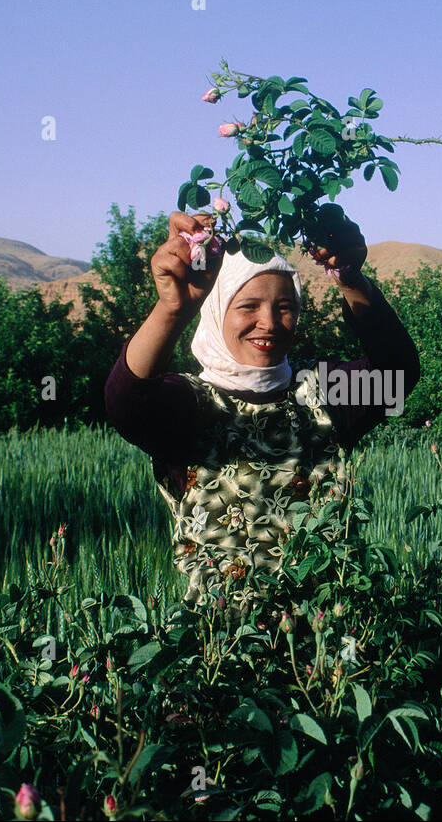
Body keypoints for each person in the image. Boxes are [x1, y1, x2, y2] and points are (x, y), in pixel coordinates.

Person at [105, 208, 421, 613]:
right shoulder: (193, 406)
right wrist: (172, 310)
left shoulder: (322, 397)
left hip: (325, 645)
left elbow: (396, 375)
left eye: (286, 306)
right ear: (217, 310)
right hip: (227, 652)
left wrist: (349, 277)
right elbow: (127, 401)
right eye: (248, 306)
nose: (269, 322)